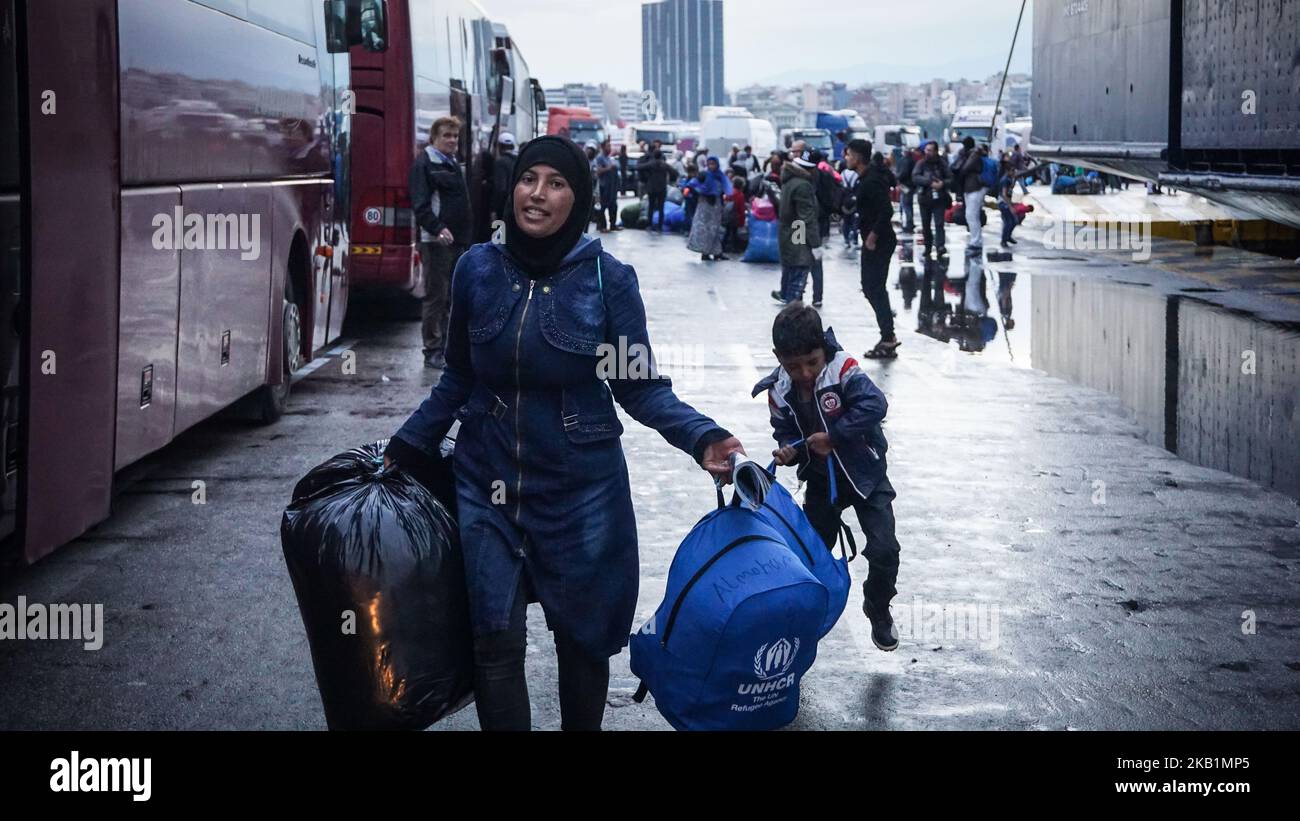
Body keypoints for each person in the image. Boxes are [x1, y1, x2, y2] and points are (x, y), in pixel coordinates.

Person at [382, 136, 747, 731]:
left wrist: (703, 437)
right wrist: (402, 448)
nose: (538, 194)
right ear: (513, 186)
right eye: (529, 178)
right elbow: (457, 378)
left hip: (582, 489)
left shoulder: (608, 280)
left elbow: (639, 386)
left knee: (583, 642)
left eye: (556, 183)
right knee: (493, 642)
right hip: (486, 480)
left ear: (577, 198)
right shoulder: (478, 268)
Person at [756, 303, 901, 651]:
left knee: (884, 549)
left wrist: (835, 437)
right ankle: (797, 626)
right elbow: (785, 431)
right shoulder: (777, 390)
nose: (804, 373)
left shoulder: (844, 368)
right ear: (778, 357)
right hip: (821, 482)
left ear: (824, 349)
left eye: (812, 362)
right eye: (793, 366)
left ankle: (877, 607)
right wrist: (789, 450)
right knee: (809, 555)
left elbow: (875, 405)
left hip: (866, 475)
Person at [410, 116, 472, 369]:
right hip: (437, 242)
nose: (452, 140)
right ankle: (432, 349)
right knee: (436, 297)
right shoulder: (425, 164)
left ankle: (447, 348)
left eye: (455, 136)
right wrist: (439, 229)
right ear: (434, 137)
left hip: (455, 241)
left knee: (451, 297)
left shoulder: (450, 163)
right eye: (447, 135)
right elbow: (421, 205)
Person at [845, 140, 901, 359]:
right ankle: (887, 334)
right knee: (871, 288)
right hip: (873, 240)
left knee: (874, 288)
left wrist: (873, 235)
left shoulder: (872, 180)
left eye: (849, 155)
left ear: (858, 157)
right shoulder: (865, 178)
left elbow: (886, 210)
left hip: (879, 241)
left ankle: (888, 337)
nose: (846, 158)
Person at [773, 148, 821, 304]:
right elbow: (806, 218)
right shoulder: (803, 186)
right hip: (798, 232)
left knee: (790, 270)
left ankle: (787, 299)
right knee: (798, 275)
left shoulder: (790, 181)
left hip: (789, 232)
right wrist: (815, 244)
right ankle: (793, 313)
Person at [910, 140, 953, 259]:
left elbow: (950, 178)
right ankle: (928, 246)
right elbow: (915, 177)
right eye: (926, 150)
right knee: (925, 225)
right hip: (924, 198)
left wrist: (942, 184)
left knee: (939, 224)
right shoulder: (921, 164)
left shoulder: (942, 164)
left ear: (935, 151)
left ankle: (940, 246)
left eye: (930, 150)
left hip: (939, 199)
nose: (927, 152)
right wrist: (929, 182)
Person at [686, 156, 732, 261]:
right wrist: (701, 192)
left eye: (713, 164)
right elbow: (692, 185)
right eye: (710, 164)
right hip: (705, 206)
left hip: (716, 206)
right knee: (705, 230)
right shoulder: (703, 175)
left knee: (715, 230)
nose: (712, 166)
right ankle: (705, 253)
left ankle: (717, 252)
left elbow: (725, 190)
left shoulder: (720, 176)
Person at [951, 136, 986, 253]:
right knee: (971, 216)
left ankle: (976, 241)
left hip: (974, 188)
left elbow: (963, 169)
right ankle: (975, 240)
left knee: (972, 216)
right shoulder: (970, 154)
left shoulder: (974, 155)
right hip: (970, 188)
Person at [489, 132, 518, 226]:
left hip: (504, 208)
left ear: (499, 147)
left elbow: (500, 188)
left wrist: (494, 210)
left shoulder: (500, 162)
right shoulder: (518, 160)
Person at [642, 149, 674, 231]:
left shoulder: (651, 164)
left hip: (652, 188)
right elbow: (674, 172)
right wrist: (671, 181)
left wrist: (646, 178)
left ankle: (649, 224)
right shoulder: (665, 165)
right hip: (662, 189)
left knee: (651, 207)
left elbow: (639, 167)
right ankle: (660, 226)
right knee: (661, 208)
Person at [595, 141, 621, 232]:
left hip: (612, 187)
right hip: (604, 186)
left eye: (610, 146)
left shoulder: (609, 158)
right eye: (608, 146)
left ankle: (613, 225)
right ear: (602, 147)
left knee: (613, 206)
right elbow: (597, 171)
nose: (610, 148)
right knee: (602, 206)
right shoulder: (600, 158)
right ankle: (602, 226)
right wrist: (609, 168)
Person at [895, 145, 920, 234]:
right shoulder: (913, 160)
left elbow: (902, 173)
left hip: (905, 185)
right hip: (911, 185)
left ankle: (908, 223)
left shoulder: (904, 161)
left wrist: (897, 177)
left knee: (905, 204)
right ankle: (909, 222)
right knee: (908, 204)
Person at [996, 159, 1019, 249]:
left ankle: (1007, 237)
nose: (1014, 172)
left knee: (1013, 221)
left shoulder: (1009, 179)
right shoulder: (1005, 180)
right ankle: (1004, 240)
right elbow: (1005, 194)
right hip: (1003, 203)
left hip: (1006, 202)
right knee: (1009, 222)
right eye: (1012, 170)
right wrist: (1010, 206)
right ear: (1008, 171)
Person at [722, 173, 747, 253]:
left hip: (727, 215)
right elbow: (741, 209)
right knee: (734, 233)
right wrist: (742, 220)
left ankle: (723, 246)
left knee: (727, 232)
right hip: (735, 217)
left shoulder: (729, 192)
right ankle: (734, 247)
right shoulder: (740, 195)